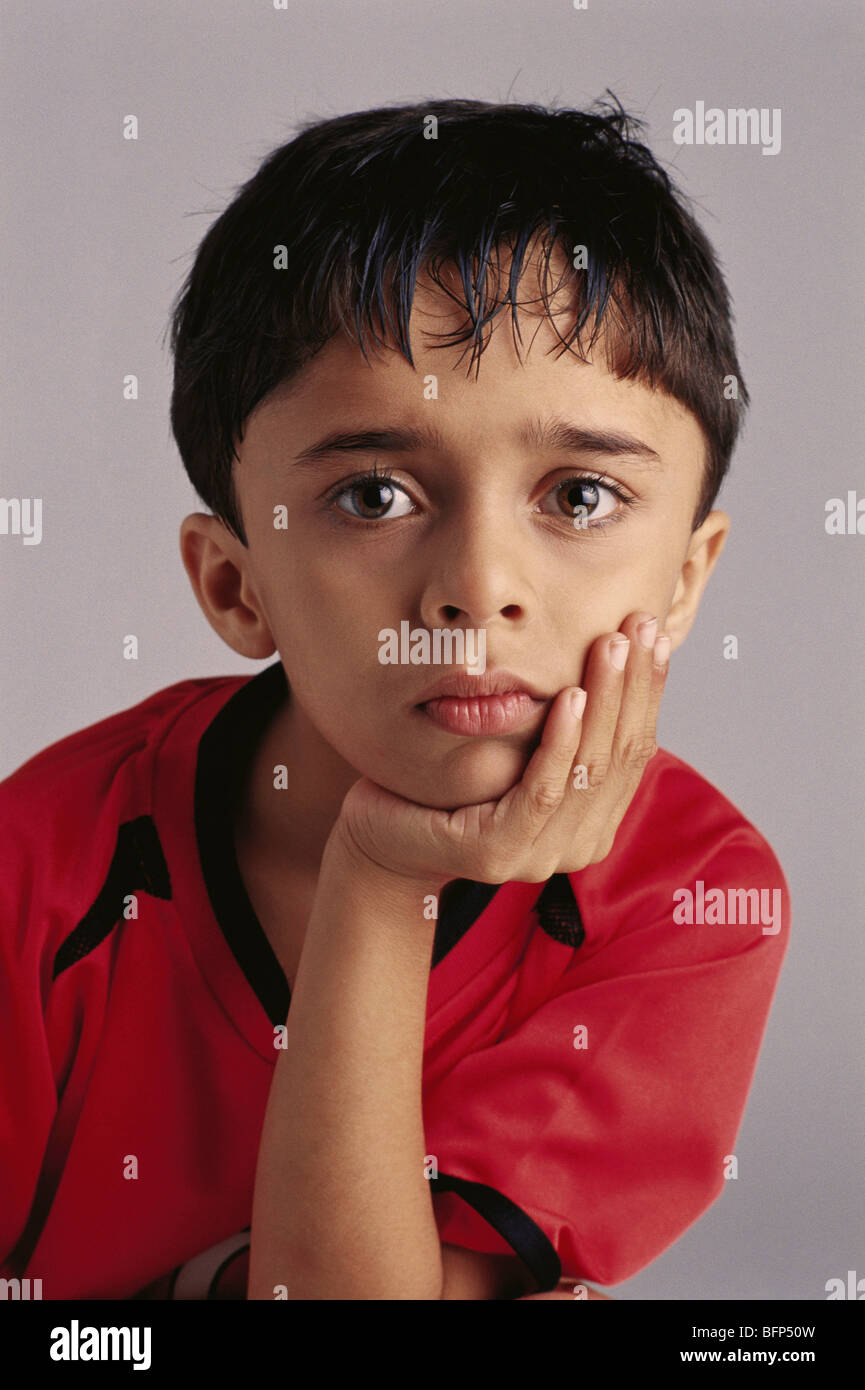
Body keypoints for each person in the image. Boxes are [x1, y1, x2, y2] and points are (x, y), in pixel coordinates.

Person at [0, 96, 789, 1301]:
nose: (476, 589)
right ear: (236, 581)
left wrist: (380, 876)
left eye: (578, 497)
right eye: (373, 497)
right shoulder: (40, 868)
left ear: (683, 581)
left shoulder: (691, 895)